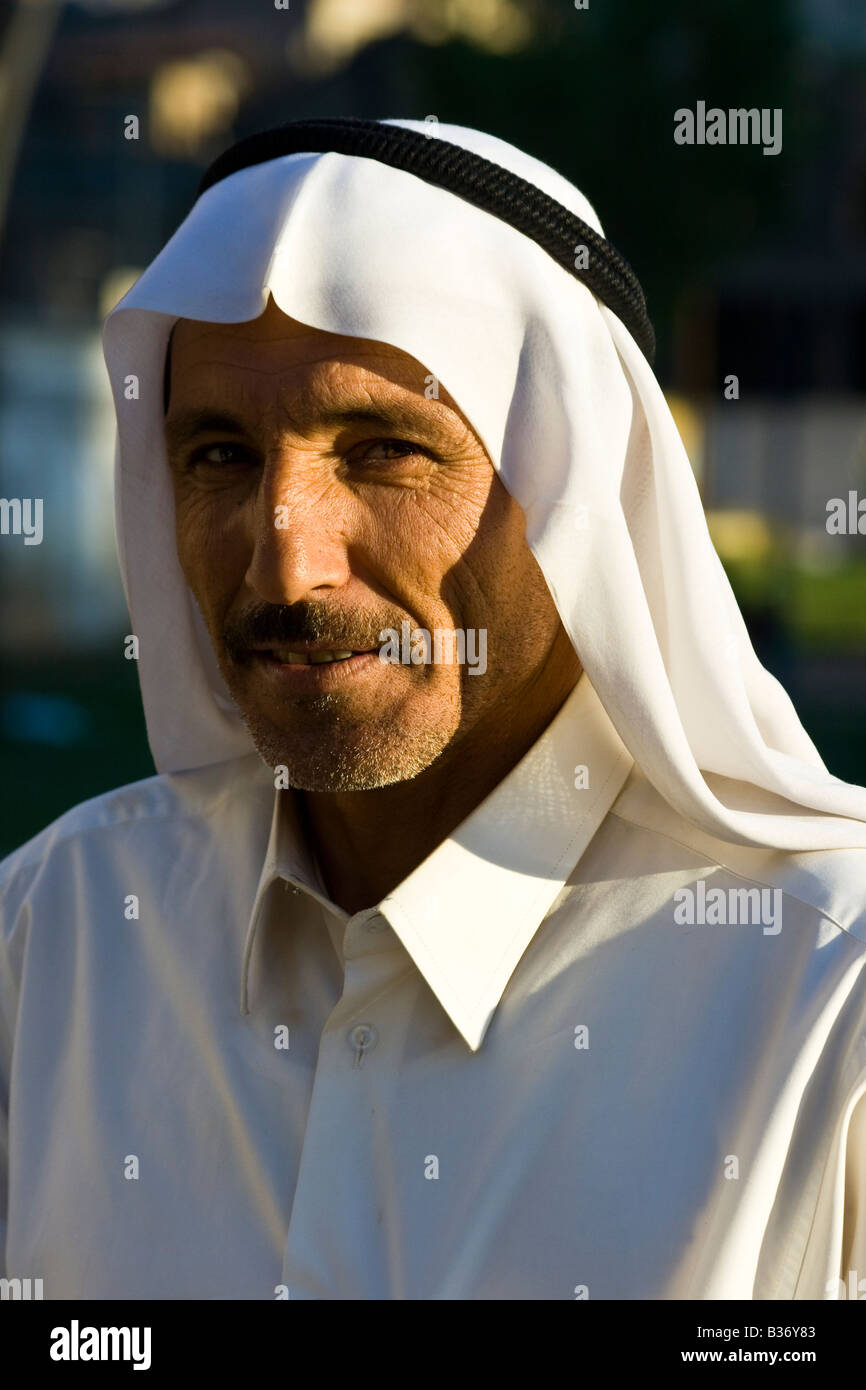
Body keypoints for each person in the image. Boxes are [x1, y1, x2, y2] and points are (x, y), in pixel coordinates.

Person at [2, 116, 866, 1301]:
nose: (284, 564)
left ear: (575, 484)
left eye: (382, 452)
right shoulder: (53, 942)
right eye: (218, 456)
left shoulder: (824, 1000)